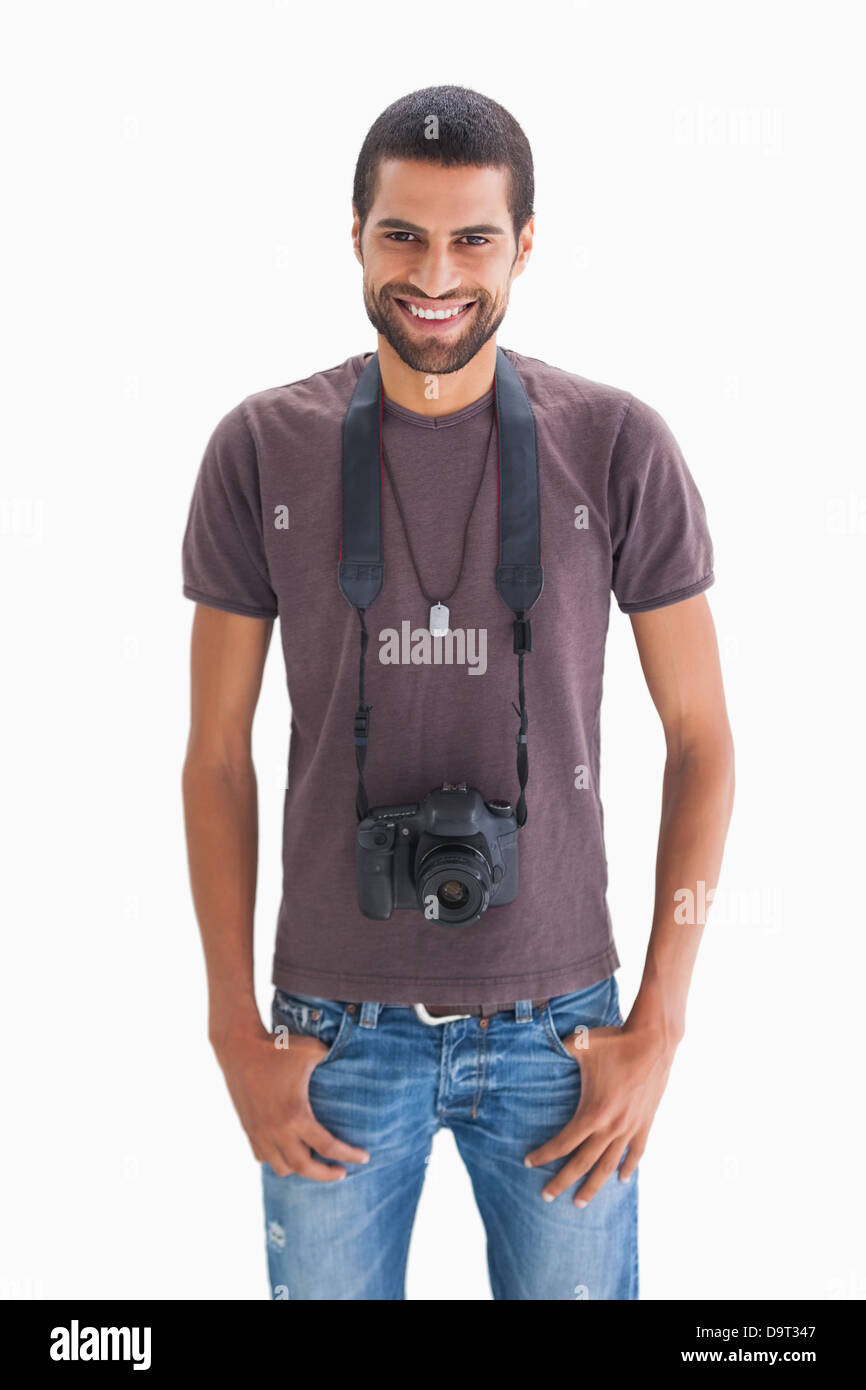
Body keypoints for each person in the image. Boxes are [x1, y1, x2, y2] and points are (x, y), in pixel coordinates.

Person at [181, 84, 735, 1301]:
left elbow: (700, 739)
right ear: (355, 233)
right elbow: (216, 756)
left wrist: (660, 1022)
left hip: (562, 1031)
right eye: (403, 235)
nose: (436, 273)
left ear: (524, 243)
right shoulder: (260, 446)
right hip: (327, 1029)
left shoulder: (615, 443)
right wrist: (232, 1021)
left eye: (473, 237)